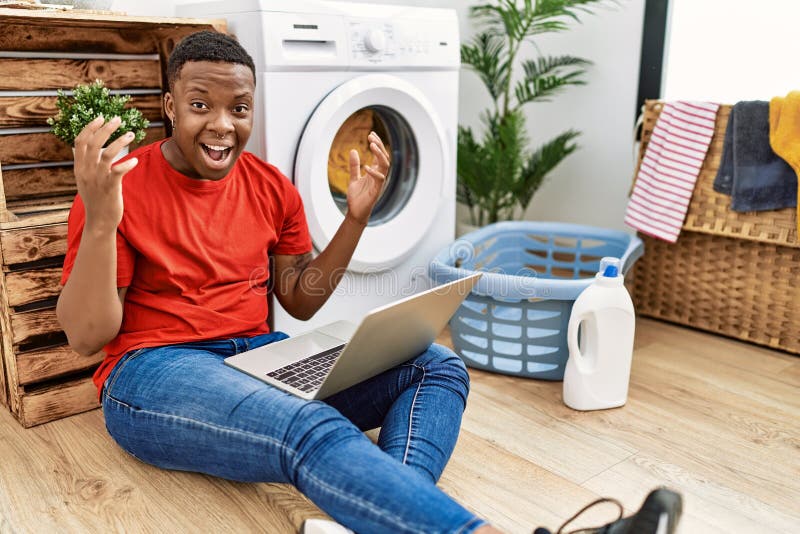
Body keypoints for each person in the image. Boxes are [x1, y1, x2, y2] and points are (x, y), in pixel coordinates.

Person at [56, 31, 682, 534]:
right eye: (201, 105)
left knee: (437, 366)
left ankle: (372, 522)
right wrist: (103, 223)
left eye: (239, 108)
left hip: (258, 359)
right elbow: (88, 336)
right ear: (169, 106)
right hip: (153, 374)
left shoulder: (270, 186)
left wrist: (355, 219)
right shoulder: (119, 185)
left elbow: (299, 297)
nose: (222, 124)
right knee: (307, 430)